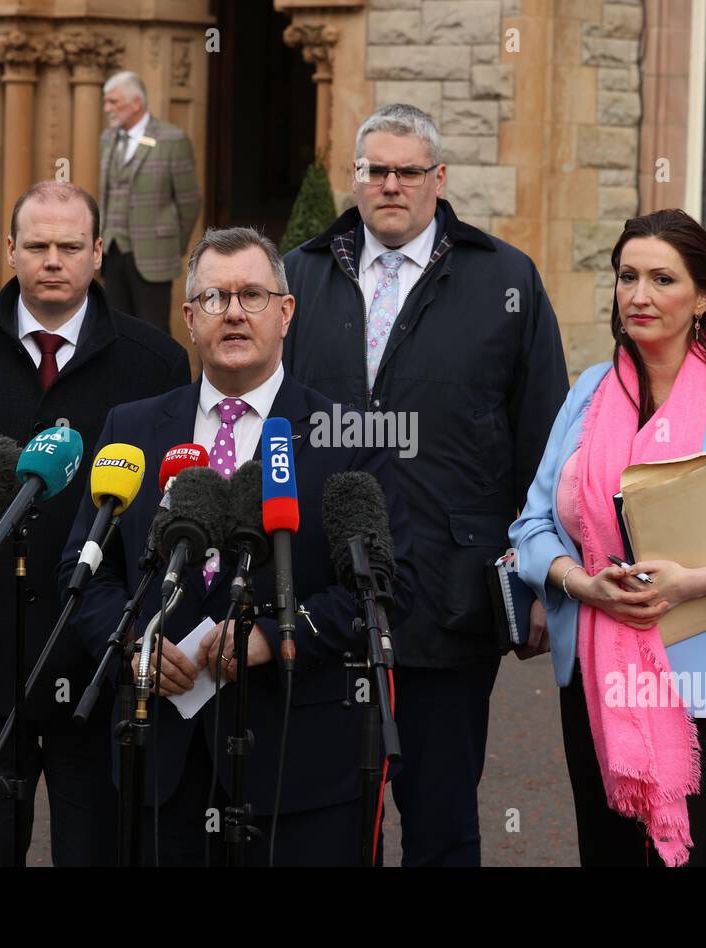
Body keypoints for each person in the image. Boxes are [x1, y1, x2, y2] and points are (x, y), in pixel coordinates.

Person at [58, 226, 415, 866]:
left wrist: (277, 634)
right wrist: (133, 639)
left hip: (295, 766)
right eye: (215, 298)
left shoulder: (347, 436)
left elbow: (380, 586)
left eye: (252, 295)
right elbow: (85, 572)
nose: (233, 312)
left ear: (286, 312)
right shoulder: (131, 428)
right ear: (189, 318)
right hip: (161, 763)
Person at [282, 103, 569, 866]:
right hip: (324, 594)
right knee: (330, 823)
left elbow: (546, 442)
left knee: (442, 826)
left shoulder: (505, 280)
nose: (391, 185)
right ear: (356, 178)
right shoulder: (298, 277)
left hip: (450, 595)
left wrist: (542, 579)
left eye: (409, 171)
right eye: (375, 170)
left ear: (439, 180)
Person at [509, 208, 706, 867]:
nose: (640, 295)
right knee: (608, 855)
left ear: (703, 297)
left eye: (662, 278)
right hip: (596, 681)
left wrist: (691, 582)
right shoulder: (591, 392)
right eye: (628, 277)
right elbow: (532, 525)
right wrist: (580, 581)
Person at [0, 181, 191, 865]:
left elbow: (165, 517)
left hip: (98, 670)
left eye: (69, 246)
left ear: (98, 253)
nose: (52, 260)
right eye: (36, 245)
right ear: (10, 250)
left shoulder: (157, 363)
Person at [98, 70, 201, 336]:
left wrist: (172, 244)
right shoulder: (108, 139)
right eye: (106, 102)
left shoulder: (172, 139)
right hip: (112, 252)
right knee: (115, 329)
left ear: (135, 103)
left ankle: (158, 380)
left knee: (152, 331)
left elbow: (189, 201)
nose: (106, 108)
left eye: (113, 102)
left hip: (154, 255)